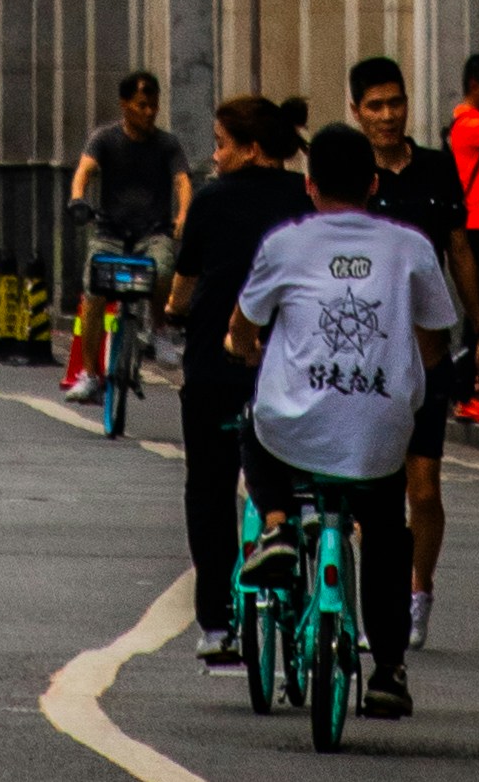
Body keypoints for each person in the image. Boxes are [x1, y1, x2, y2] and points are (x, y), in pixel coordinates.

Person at [224, 116, 458, 722]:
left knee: (256, 420)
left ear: (309, 184)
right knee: (384, 528)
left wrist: (246, 351)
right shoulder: (411, 247)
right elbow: (436, 340)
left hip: (293, 430)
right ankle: (388, 670)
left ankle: (275, 524)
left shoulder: (285, 244)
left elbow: (243, 329)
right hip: (379, 435)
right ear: (373, 183)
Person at [348, 57, 479, 659]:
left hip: (427, 356)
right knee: (372, 491)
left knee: (423, 491)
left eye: (394, 102)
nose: (386, 114)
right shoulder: (351, 175)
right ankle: (373, 593)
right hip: (365, 359)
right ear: (356, 112)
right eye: (374, 105)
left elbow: (457, 245)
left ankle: (418, 589)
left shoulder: (434, 165)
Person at [166, 96, 303, 668]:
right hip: (288, 365)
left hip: (216, 365)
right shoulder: (304, 199)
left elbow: (184, 284)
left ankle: (217, 623)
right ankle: (297, 591)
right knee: (292, 485)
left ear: (249, 149)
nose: (214, 156)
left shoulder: (212, 199)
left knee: (210, 488)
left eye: (221, 144)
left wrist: (175, 310)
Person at [61, 67, 189, 412]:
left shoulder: (167, 144)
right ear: (124, 105)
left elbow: (182, 182)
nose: (149, 112)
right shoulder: (104, 139)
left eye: (154, 106)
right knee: (94, 292)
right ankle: (90, 374)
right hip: (110, 233)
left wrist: (182, 215)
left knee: (162, 269)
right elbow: (84, 171)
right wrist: (77, 197)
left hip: (154, 233)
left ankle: (159, 329)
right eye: (142, 105)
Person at [445, 59, 479, 415]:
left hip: (478, 219)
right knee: (476, 310)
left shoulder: (461, 123)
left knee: (474, 309)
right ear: (478, 85)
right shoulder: (474, 124)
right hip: (477, 220)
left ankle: (468, 391)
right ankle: (469, 393)